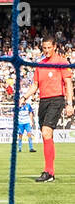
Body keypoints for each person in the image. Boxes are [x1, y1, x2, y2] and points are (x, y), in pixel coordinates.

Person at [23, 35, 73, 183]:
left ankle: (49, 172)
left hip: (57, 99)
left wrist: (69, 103)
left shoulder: (62, 62)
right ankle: (50, 172)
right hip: (43, 101)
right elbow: (35, 85)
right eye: (44, 48)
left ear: (55, 47)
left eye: (49, 47)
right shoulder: (40, 64)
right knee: (46, 135)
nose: (46, 50)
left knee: (46, 131)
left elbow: (68, 83)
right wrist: (24, 97)